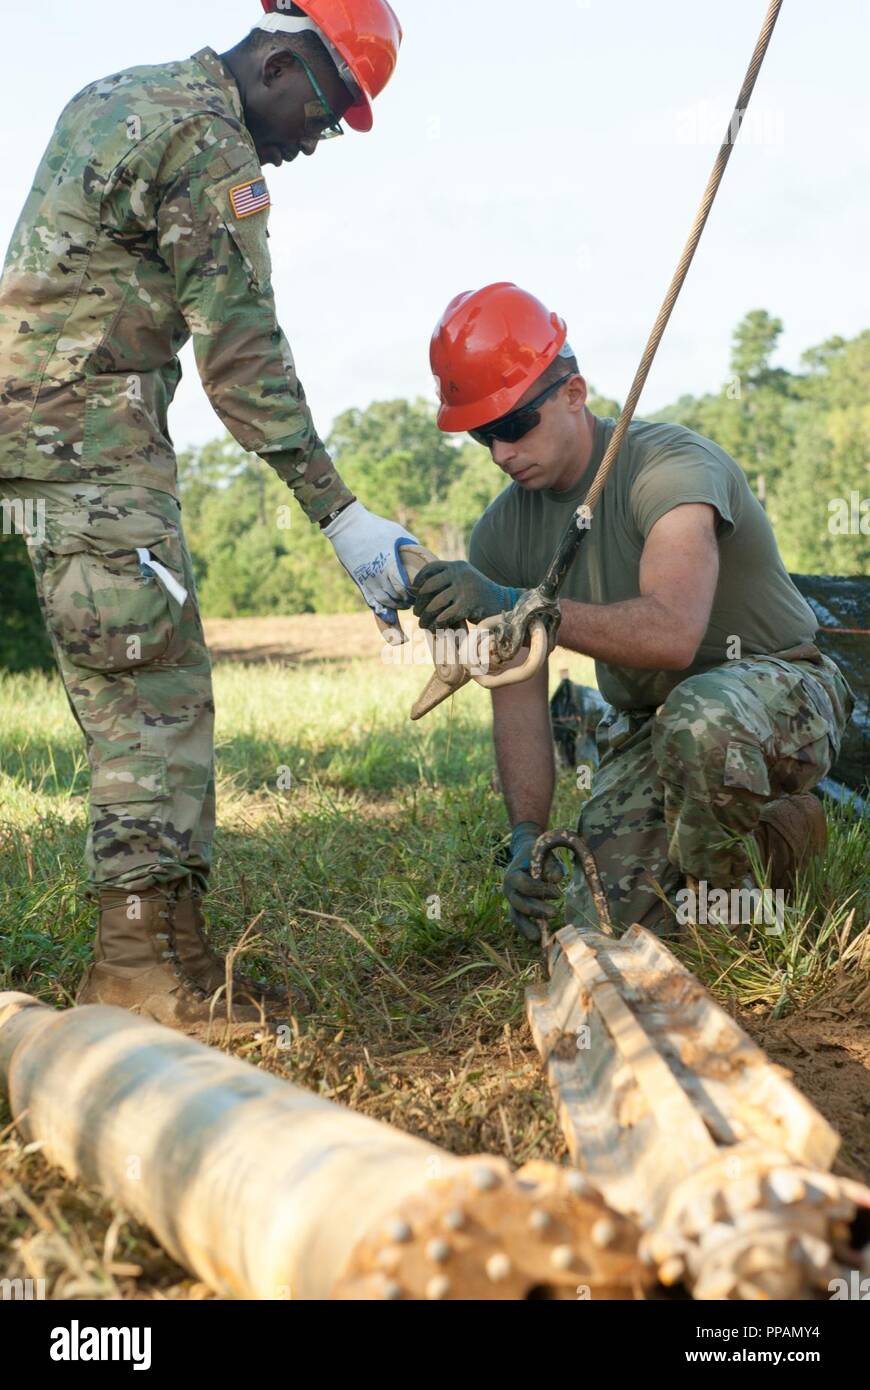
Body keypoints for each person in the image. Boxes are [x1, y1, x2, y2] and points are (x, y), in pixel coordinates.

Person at [0, 0, 417, 1032]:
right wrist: (343, 517)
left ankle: (174, 954)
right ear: (282, 60)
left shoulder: (127, 95)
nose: (315, 141)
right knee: (145, 700)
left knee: (165, 683)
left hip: (74, 441)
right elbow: (242, 356)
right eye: (325, 110)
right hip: (85, 447)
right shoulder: (207, 137)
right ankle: (135, 965)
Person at [415, 283, 853, 940]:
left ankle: (744, 902)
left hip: (782, 693)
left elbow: (675, 633)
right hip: (655, 726)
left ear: (573, 392)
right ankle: (741, 849)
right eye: (483, 436)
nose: (502, 454)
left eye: (512, 426)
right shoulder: (500, 537)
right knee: (600, 925)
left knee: (701, 721)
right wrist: (525, 836)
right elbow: (519, 698)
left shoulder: (669, 468)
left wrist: (522, 608)